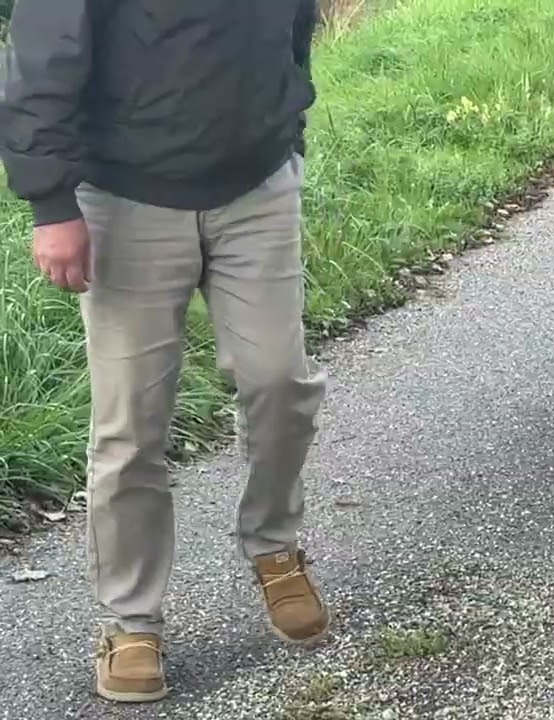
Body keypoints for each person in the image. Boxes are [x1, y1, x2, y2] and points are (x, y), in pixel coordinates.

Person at [0, 0, 331, 704]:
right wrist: (51, 203)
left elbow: (296, 21)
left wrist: (289, 122)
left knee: (281, 382)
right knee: (131, 427)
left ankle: (275, 547)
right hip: (125, 199)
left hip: (259, 185)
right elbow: (43, 55)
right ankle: (131, 622)